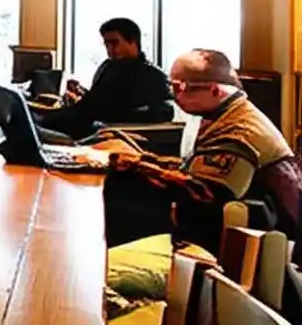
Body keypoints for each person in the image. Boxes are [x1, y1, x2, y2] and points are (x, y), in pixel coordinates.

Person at [99, 49, 302, 317]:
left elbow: (203, 191)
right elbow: (195, 168)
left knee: (102, 265)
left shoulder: (239, 132)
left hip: (219, 257)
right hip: (211, 240)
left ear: (215, 90)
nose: (174, 95)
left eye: (179, 88)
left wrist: (136, 166)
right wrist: (141, 160)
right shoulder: (231, 115)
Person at [38, 17, 173, 140]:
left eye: (114, 43)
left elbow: (164, 112)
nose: (110, 49)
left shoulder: (154, 76)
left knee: (43, 125)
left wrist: (120, 112)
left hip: (114, 132)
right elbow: (94, 101)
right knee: (39, 122)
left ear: (132, 41)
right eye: (107, 44)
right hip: (91, 124)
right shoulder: (107, 67)